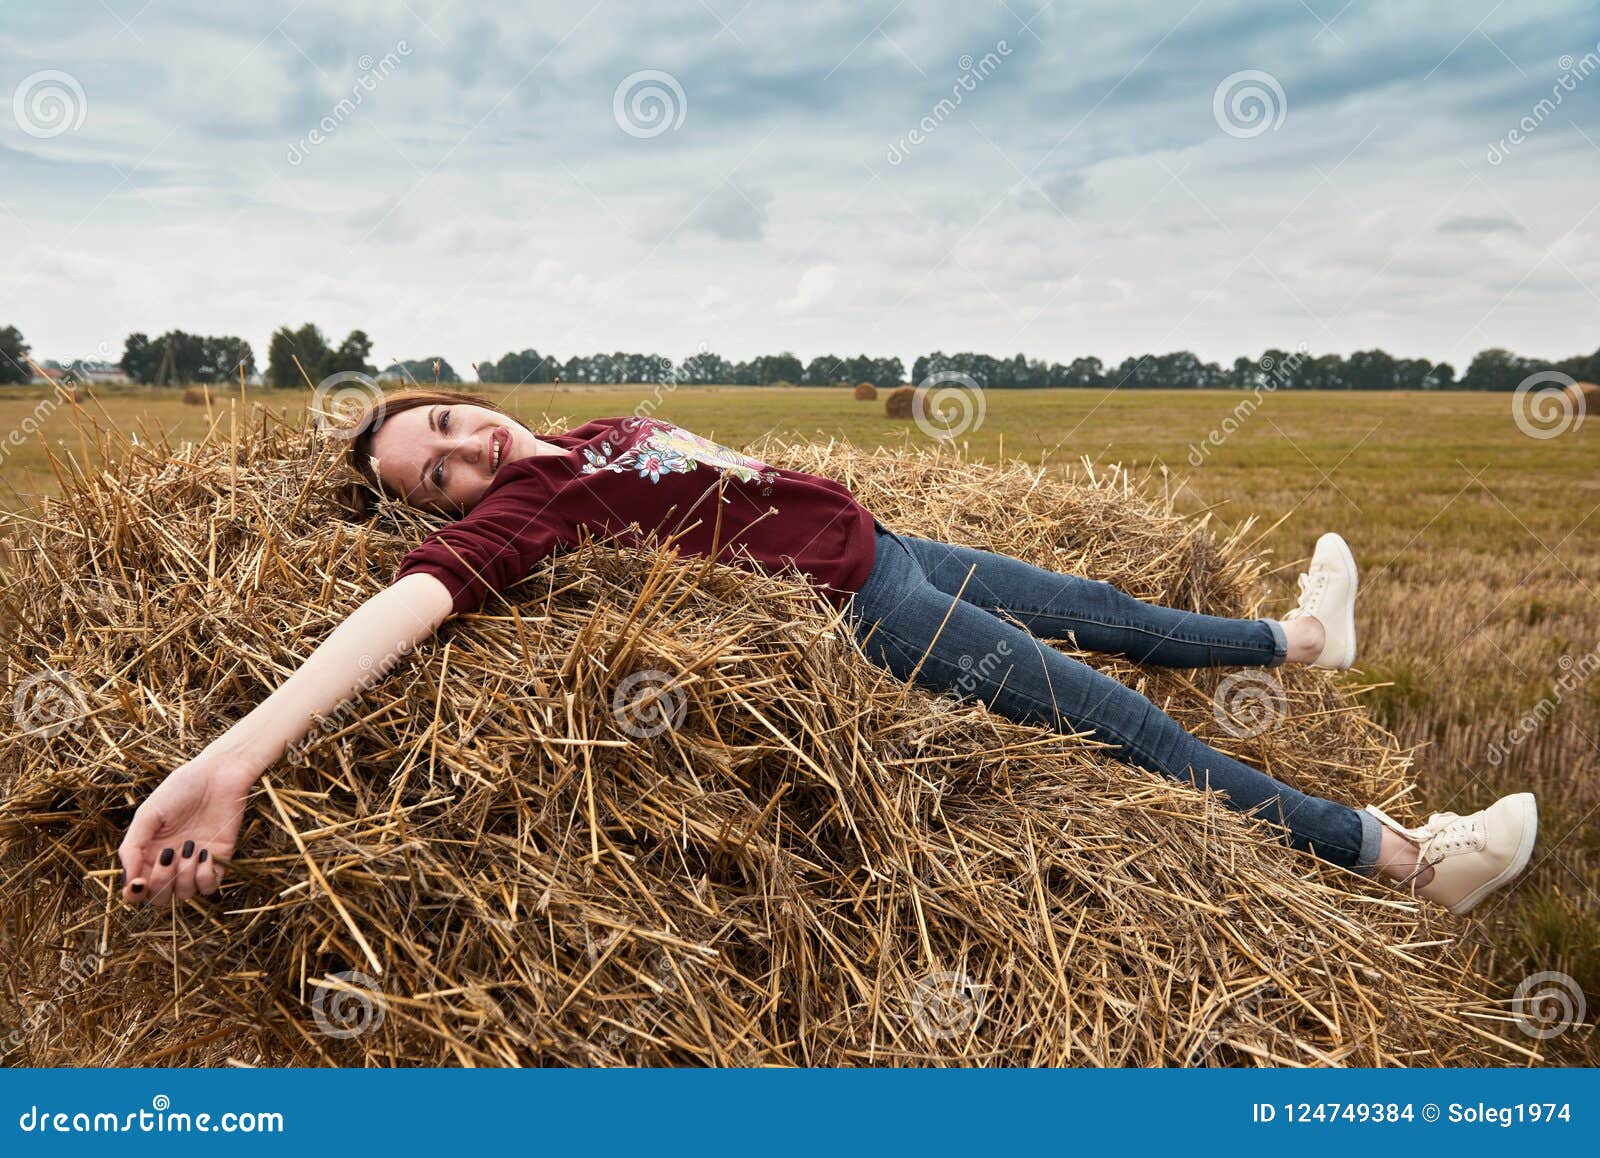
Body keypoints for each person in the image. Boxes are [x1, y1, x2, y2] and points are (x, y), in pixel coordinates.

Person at [117, 391, 1538, 916]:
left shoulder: (593, 436)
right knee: (1125, 724)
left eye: (439, 423)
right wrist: (230, 757)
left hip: (889, 540)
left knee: (1101, 604)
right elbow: (406, 609)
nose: (460, 456)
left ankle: (1298, 636)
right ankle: (1411, 859)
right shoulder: (535, 507)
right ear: (455, 512)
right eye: (435, 479)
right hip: (879, 612)